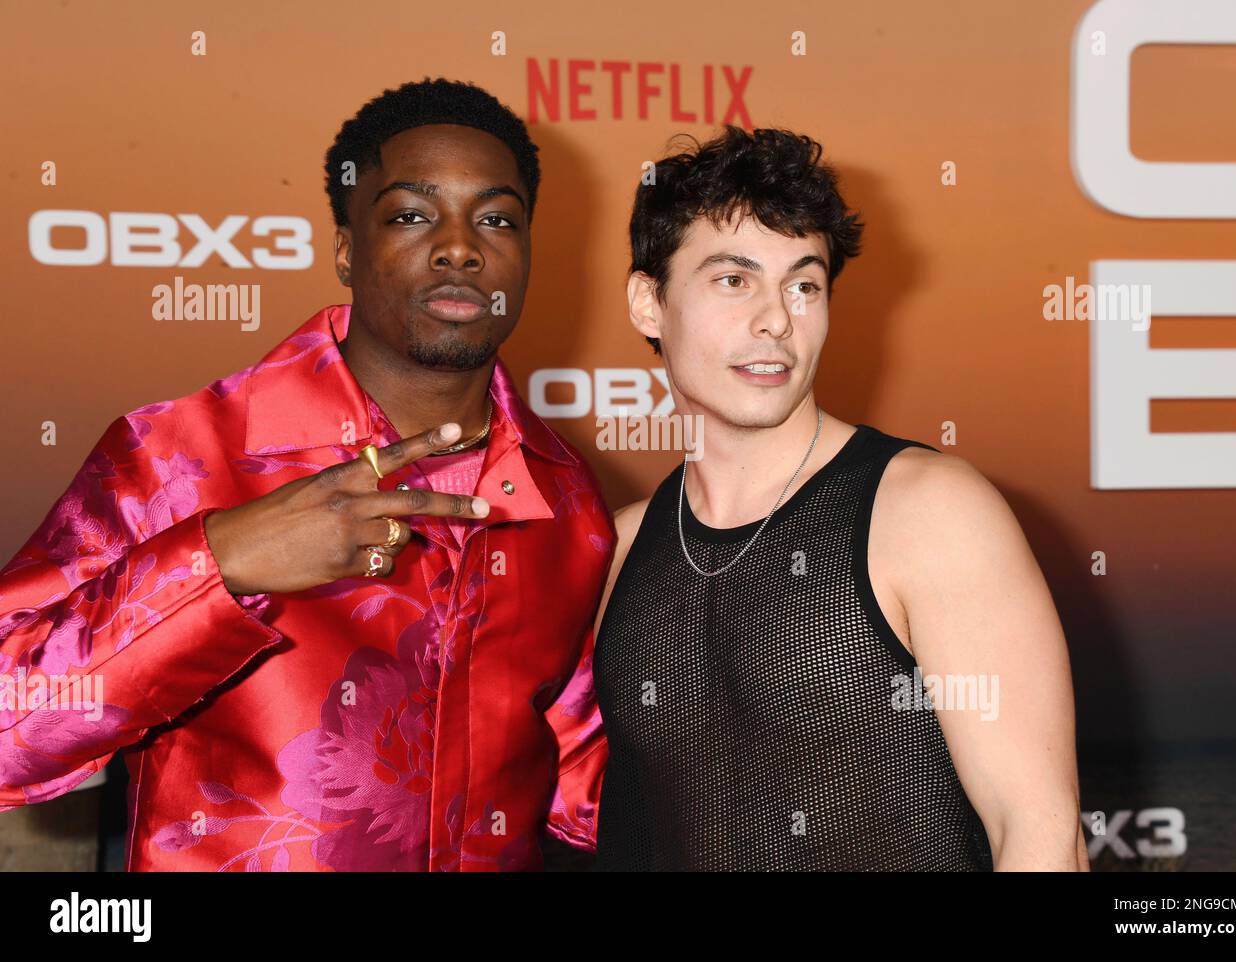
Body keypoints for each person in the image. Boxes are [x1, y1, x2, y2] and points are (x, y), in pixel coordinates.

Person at [0, 78, 612, 871]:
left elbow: (572, 776)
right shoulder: (180, 454)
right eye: (411, 215)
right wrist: (218, 565)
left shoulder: (565, 497)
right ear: (346, 248)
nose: (460, 246)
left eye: (496, 219)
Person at [591, 126, 1088, 871]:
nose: (776, 319)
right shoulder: (620, 550)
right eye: (734, 279)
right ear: (647, 302)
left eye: (804, 284)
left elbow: (1039, 836)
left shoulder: (928, 512)